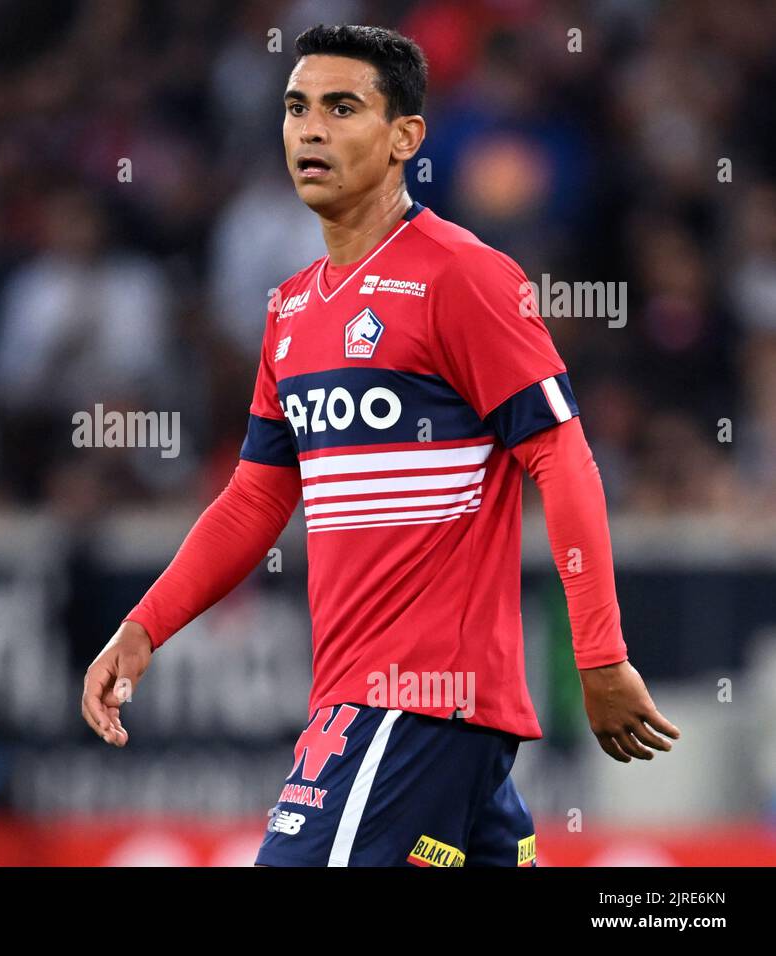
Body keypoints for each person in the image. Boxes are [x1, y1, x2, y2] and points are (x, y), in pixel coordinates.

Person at [81, 25, 681, 867]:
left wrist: (601, 655)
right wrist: (144, 627)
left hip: (408, 706)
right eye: (296, 109)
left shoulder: (462, 277)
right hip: (400, 711)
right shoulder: (291, 310)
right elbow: (256, 497)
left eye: (341, 107)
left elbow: (562, 457)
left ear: (406, 137)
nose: (311, 130)